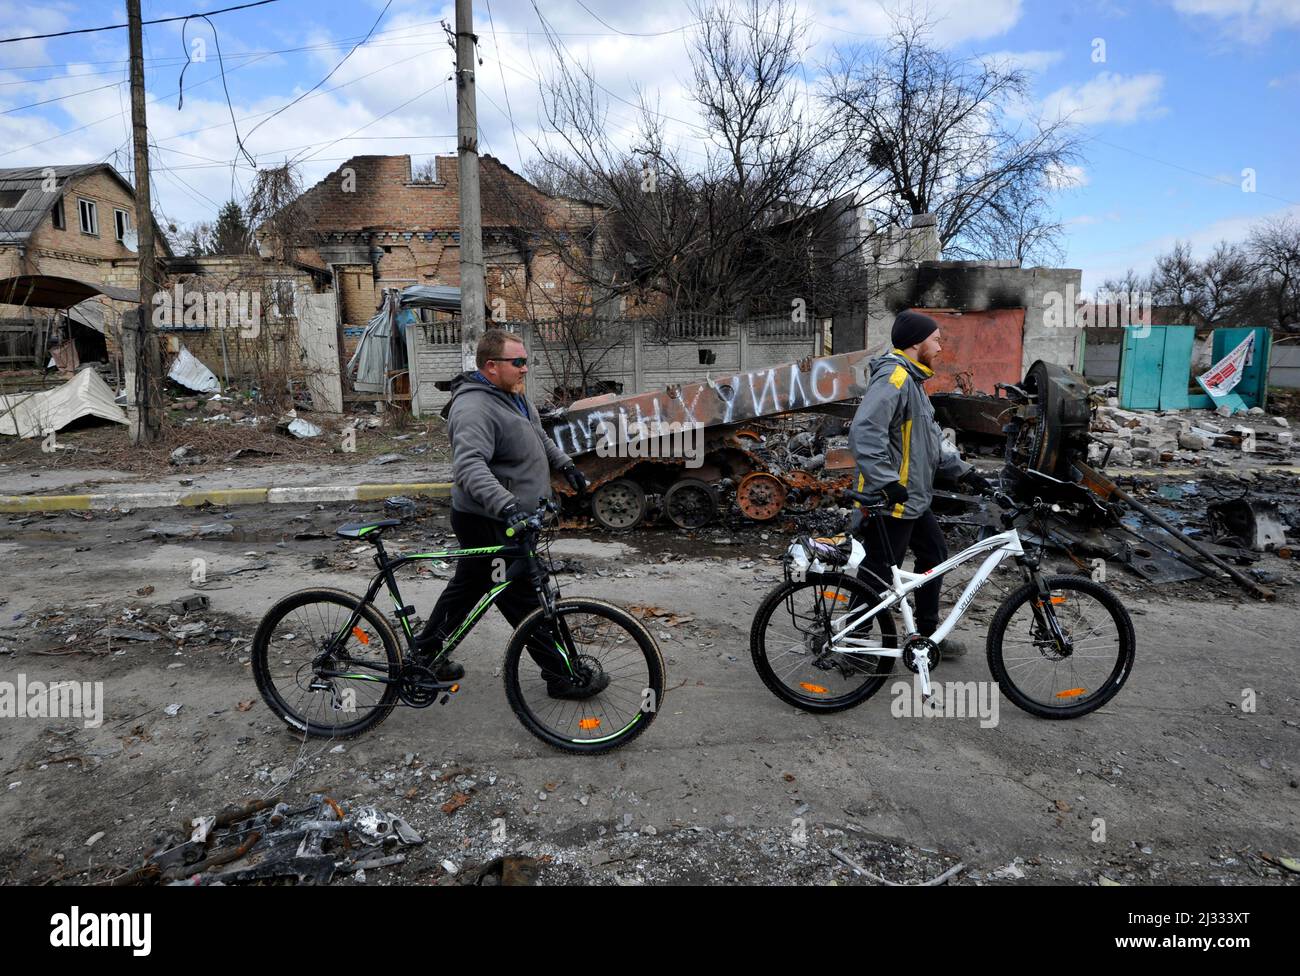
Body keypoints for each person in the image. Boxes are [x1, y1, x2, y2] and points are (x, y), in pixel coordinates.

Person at [415, 328, 602, 699]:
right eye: (517, 362)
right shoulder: (473, 408)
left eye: (526, 361)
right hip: (489, 521)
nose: (525, 369)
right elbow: (469, 468)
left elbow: (539, 436)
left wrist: (566, 466)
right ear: (490, 366)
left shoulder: (513, 397)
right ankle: (561, 675)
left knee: (467, 589)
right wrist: (508, 506)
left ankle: (423, 655)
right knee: (522, 596)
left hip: (509, 518)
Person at [848, 310, 994, 656]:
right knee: (880, 572)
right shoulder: (894, 379)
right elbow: (864, 433)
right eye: (936, 339)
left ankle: (929, 636)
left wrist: (966, 472)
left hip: (913, 497)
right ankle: (853, 642)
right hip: (893, 498)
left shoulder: (913, 382)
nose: (941, 346)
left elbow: (930, 440)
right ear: (917, 342)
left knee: (934, 555)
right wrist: (887, 482)